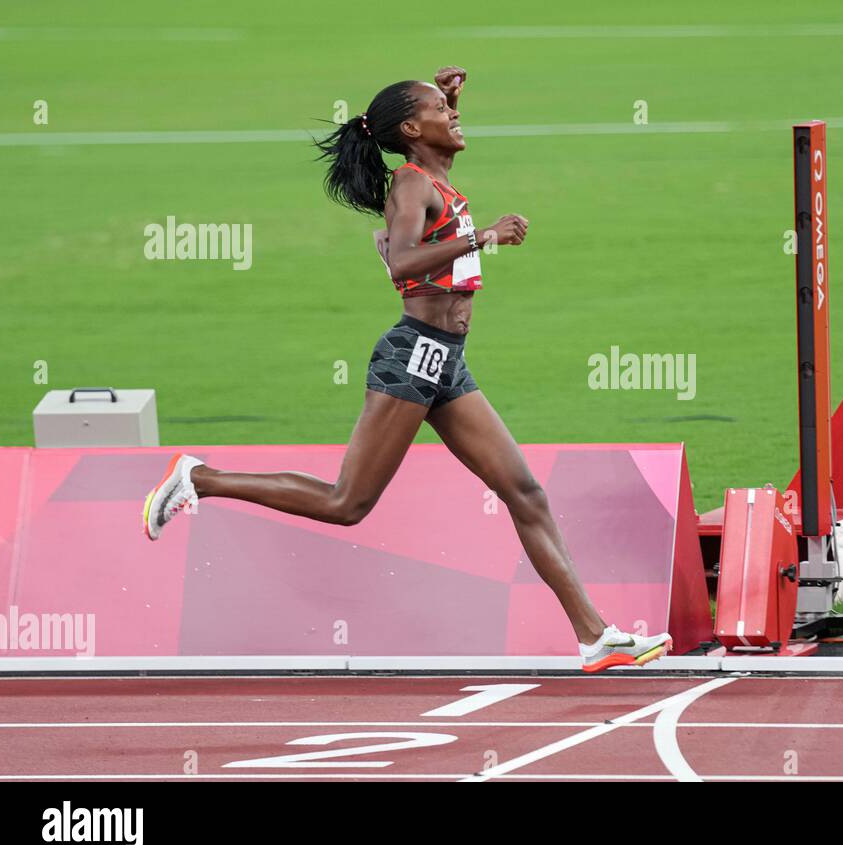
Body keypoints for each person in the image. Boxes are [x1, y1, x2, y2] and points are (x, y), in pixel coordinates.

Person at [141, 67, 671, 672]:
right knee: (347, 503)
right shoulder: (411, 186)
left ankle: (594, 636)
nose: (454, 116)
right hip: (413, 355)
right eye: (440, 110)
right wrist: (487, 237)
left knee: (524, 491)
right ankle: (201, 479)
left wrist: (452, 98)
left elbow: (426, 184)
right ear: (413, 129)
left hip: (446, 362)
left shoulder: (433, 179)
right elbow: (402, 261)